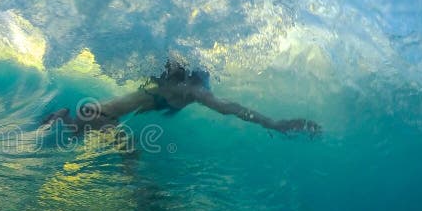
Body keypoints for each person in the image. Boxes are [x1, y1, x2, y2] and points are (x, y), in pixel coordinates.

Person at [42, 61, 321, 136]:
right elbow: (228, 108)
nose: (164, 75)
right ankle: (61, 114)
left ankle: (135, 186)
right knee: (124, 147)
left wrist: (273, 123)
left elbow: (229, 108)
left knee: (126, 148)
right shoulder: (173, 83)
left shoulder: (193, 90)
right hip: (100, 114)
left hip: (109, 113)